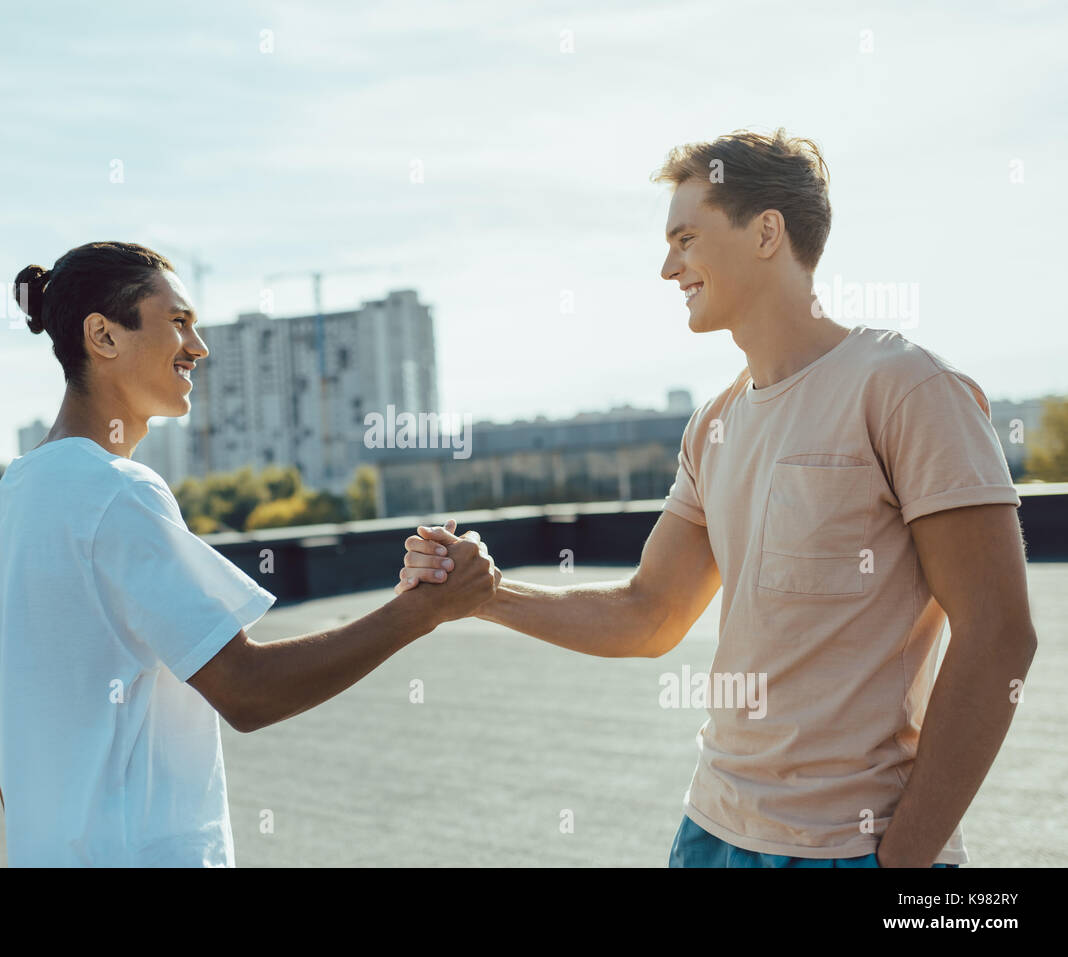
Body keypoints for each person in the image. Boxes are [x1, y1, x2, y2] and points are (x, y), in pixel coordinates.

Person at [396, 129, 1038, 868]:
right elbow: (650, 612)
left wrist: (903, 860)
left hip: (850, 847)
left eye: (686, 237)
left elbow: (998, 637)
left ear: (767, 231)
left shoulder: (906, 387)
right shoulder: (714, 425)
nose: (668, 266)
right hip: (712, 832)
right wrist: (483, 594)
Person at [0, 241, 498, 866]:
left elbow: (13, 750)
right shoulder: (116, 491)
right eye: (177, 322)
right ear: (103, 336)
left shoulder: (14, 496)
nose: (198, 347)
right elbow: (247, 690)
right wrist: (424, 611)